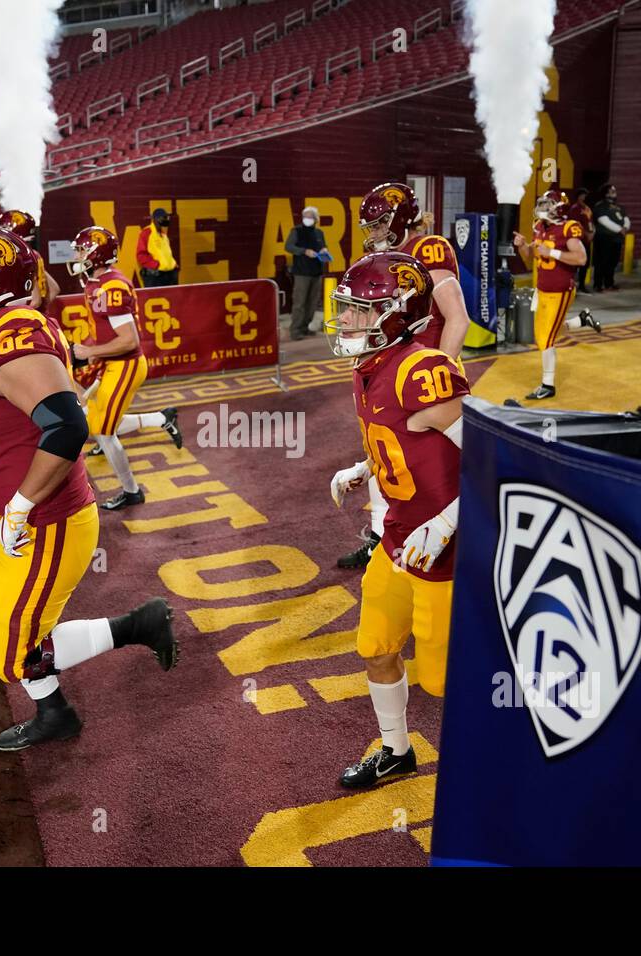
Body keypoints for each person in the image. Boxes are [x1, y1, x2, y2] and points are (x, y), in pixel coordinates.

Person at [0, 224, 180, 751]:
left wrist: (16, 506)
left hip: (45, 521)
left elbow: (66, 426)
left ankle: (137, 626)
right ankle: (56, 712)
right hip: (17, 514)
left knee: (10, 655)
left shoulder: (8, 333)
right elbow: (17, 429)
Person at [323, 252, 469, 788]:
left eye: (363, 311)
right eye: (349, 310)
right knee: (376, 648)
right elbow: (405, 439)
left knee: (441, 680)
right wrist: (367, 465)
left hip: (446, 550)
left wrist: (448, 523)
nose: (349, 321)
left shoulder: (420, 369)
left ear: (397, 313)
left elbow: (493, 461)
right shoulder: (370, 366)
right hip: (398, 539)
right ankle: (396, 750)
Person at [336, 181, 471, 570]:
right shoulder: (394, 255)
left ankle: (444, 538)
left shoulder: (426, 249)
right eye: (370, 226)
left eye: (380, 224)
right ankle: (383, 539)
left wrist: (433, 371)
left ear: (402, 218)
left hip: (420, 372)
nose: (373, 233)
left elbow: (458, 317)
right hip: (391, 365)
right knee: (387, 455)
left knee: (434, 470)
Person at [65, 225, 181, 511]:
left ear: (96, 253)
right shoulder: (97, 281)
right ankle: (160, 419)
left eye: (82, 249)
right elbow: (105, 328)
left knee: (103, 432)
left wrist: (89, 350)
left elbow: (129, 340)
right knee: (98, 423)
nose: (78, 255)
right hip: (112, 362)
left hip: (125, 364)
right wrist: (91, 350)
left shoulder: (112, 286)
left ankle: (132, 491)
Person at [511, 188, 599, 401]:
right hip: (543, 290)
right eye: (541, 204)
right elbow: (531, 255)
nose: (542, 209)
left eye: (546, 205)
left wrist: (552, 253)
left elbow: (580, 258)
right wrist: (523, 246)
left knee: (545, 338)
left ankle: (547, 385)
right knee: (549, 332)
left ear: (559, 208)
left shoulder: (569, 228)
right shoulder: (539, 227)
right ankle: (581, 320)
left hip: (561, 291)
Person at [284, 204, 327, 340]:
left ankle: (305, 327)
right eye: (305, 216)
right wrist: (304, 251)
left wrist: (324, 250)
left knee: (312, 303)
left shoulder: (319, 233)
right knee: (300, 303)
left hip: (316, 272)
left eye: (310, 217)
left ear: (315, 219)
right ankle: (295, 331)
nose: (307, 219)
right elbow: (288, 246)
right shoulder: (296, 231)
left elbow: (323, 246)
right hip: (302, 272)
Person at [591, 184, 629, 292]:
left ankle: (609, 283)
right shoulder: (600, 206)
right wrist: (619, 229)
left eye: (614, 190)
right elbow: (603, 220)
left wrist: (625, 227)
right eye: (611, 190)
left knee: (613, 262)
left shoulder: (619, 207)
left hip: (616, 239)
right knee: (601, 261)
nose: (614, 192)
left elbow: (626, 218)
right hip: (604, 238)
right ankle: (598, 284)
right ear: (606, 193)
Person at [136, 208, 178, 287]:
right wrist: (156, 265)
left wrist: (174, 264)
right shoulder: (146, 233)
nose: (166, 220)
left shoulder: (163, 234)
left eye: (166, 218)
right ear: (155, 219)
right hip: (155, 276)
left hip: (169, 275)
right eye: (164, 218)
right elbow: (141, 255)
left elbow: (167, 254)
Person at [569, 188, 594, 293]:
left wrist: (592, 233)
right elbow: (574, 224)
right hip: (579, 240)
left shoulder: (587, 209)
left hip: (588, 240)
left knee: (585, 263)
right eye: (583, 195)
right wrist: (585, 234)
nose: (584, 197)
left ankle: (582, 285)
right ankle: (572, 285)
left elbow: (591, 222)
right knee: (575, 264)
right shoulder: (575, 209)